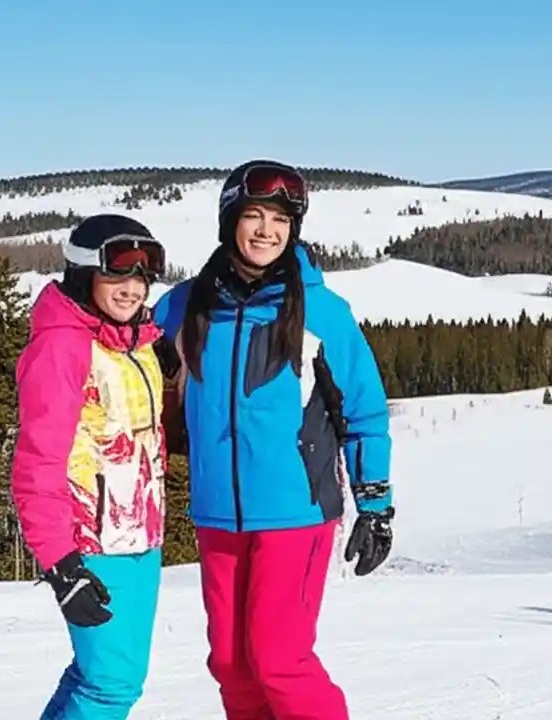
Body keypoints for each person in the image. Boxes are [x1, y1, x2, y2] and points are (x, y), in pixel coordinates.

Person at [153, 159, 394, 719]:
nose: (266, 230)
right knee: (233, 666)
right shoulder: (185, 306)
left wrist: (375, 505)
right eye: (254, 215)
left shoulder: (321, 313)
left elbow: (363, 412)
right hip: (217, 514)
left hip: (296, 512)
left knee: (279, 660)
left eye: (281, 220)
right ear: (229, 219)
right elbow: (127, 365)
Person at [10, 214, 169, 719]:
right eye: (118, 272)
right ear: (84, 274)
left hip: (139, 537)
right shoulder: (63, 345)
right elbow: (37, 463)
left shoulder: (135, 345)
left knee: (101, 676)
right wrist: (62, 563)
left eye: (143, 275)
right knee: (110, 684)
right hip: (92, 543)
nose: (132, 288)